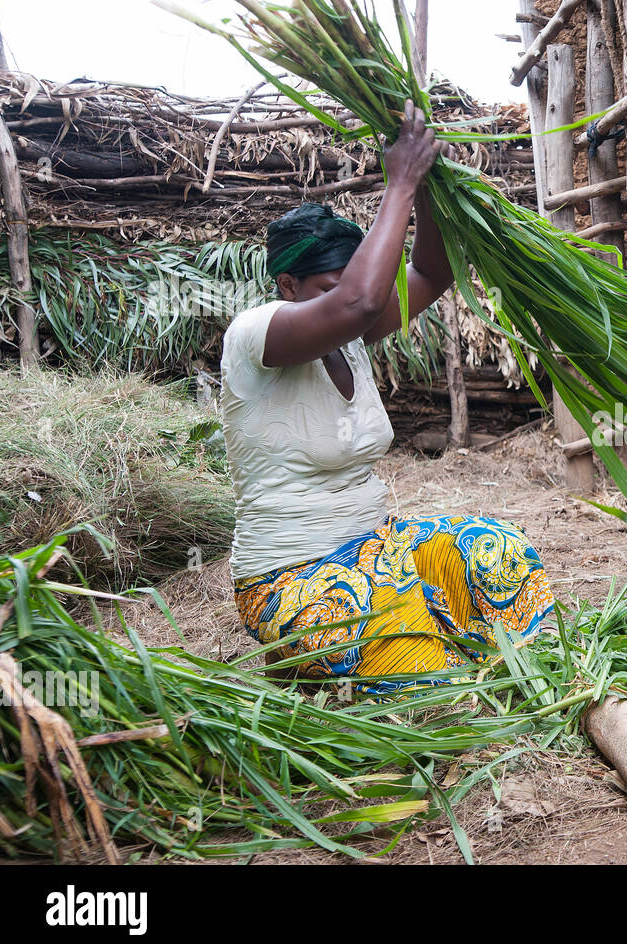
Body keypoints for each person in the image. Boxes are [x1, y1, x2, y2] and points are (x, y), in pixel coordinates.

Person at [220, 101, 555, 695]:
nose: (347, 296)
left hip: (379, 550)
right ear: (287, 285)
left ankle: (534, 671)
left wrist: (424, 189)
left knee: (496, 551)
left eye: (350, 282)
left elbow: (431, 274)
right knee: (417, 661)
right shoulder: (257, 333)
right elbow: (360, 301)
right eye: (328, 287)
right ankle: (340, 664)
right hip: (288, 577)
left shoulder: (350, 338)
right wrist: (396, 183)